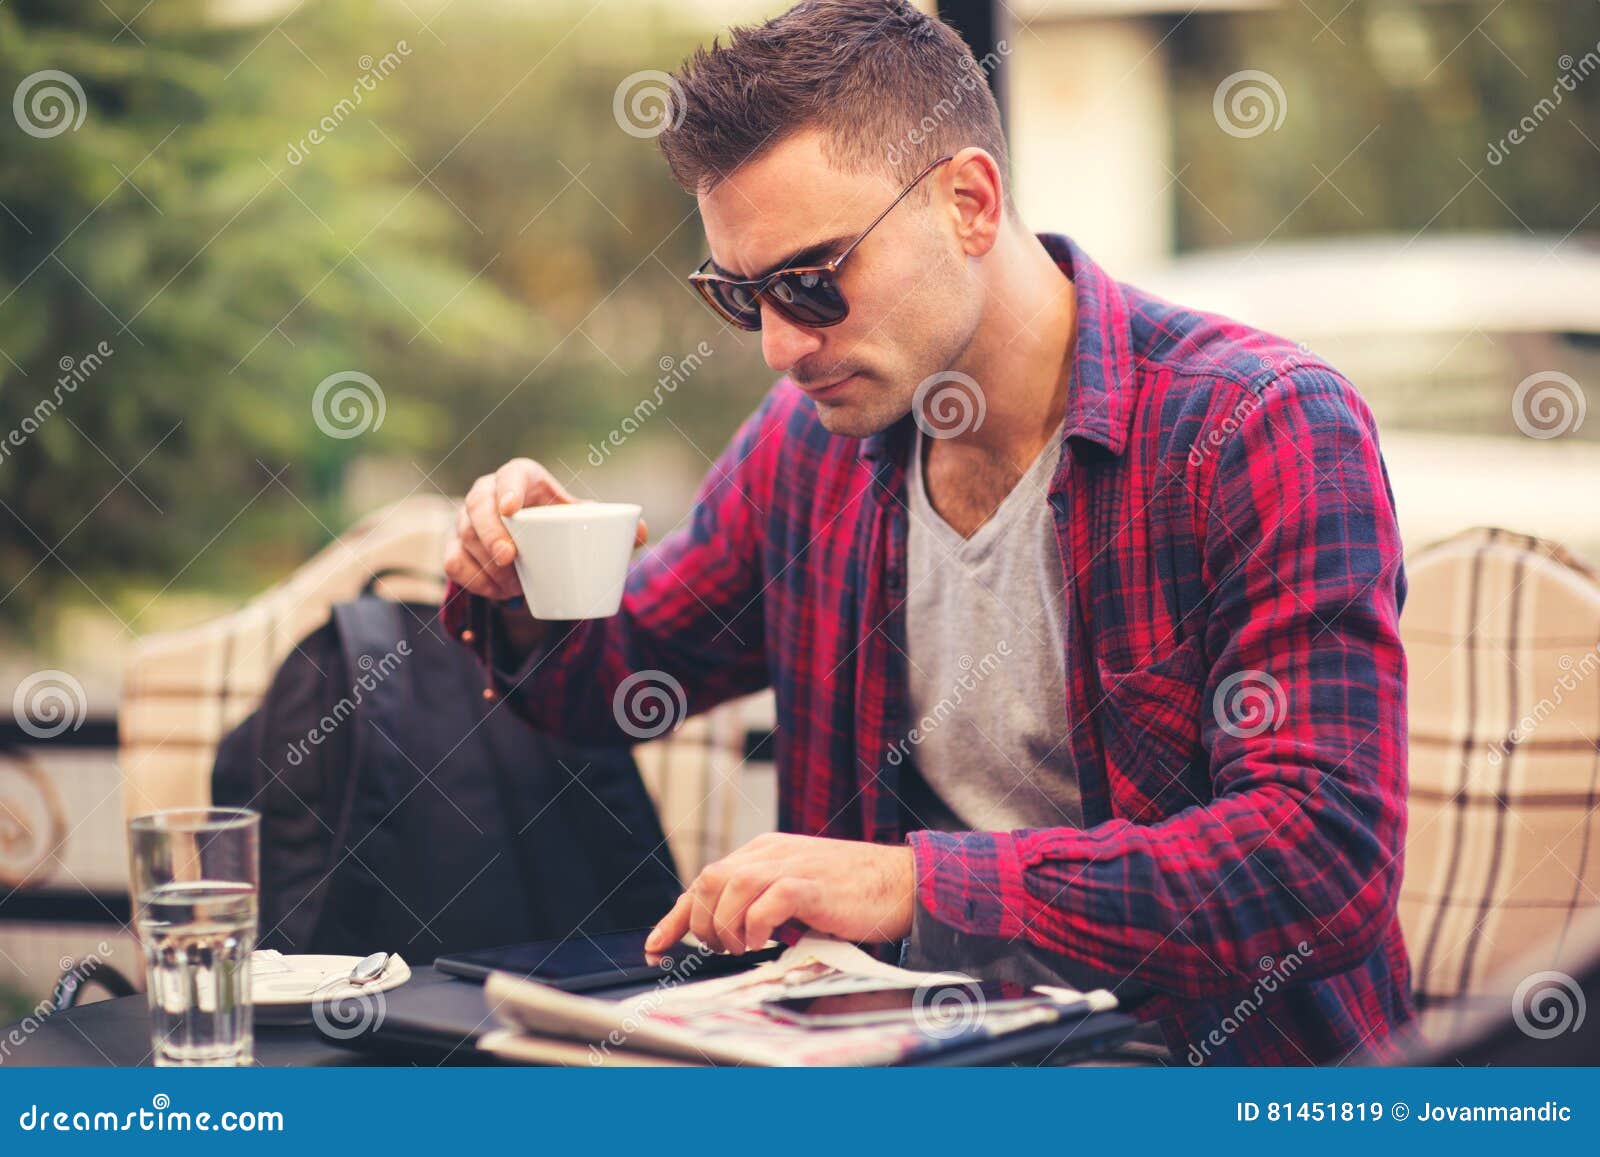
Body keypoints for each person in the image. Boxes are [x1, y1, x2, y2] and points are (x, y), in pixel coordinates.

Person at [441, 0, 1413, 1066]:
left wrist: (909, 881)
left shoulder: (1255, 426)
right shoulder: (806, 446)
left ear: (967, 201)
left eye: (813, 279)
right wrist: (525, 574)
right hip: (893, 1060)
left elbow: (1321, 859)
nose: (778, 344)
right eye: (741, 295)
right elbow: (604, 683)